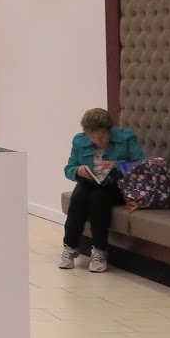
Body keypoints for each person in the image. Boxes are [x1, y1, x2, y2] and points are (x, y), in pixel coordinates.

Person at [61, 106, 146, 272]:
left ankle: (100, 250)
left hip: (117, 185)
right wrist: (77, 171)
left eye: (102, 137)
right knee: (78, 196)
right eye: (93, 138)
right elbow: (69, 168)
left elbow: (141, 165)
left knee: (98, 198)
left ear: (110, 130)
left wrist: (116, 165)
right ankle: (70, 247)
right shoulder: (79, 140)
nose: (98, 141)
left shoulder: (127, 137)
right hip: (90, 183)